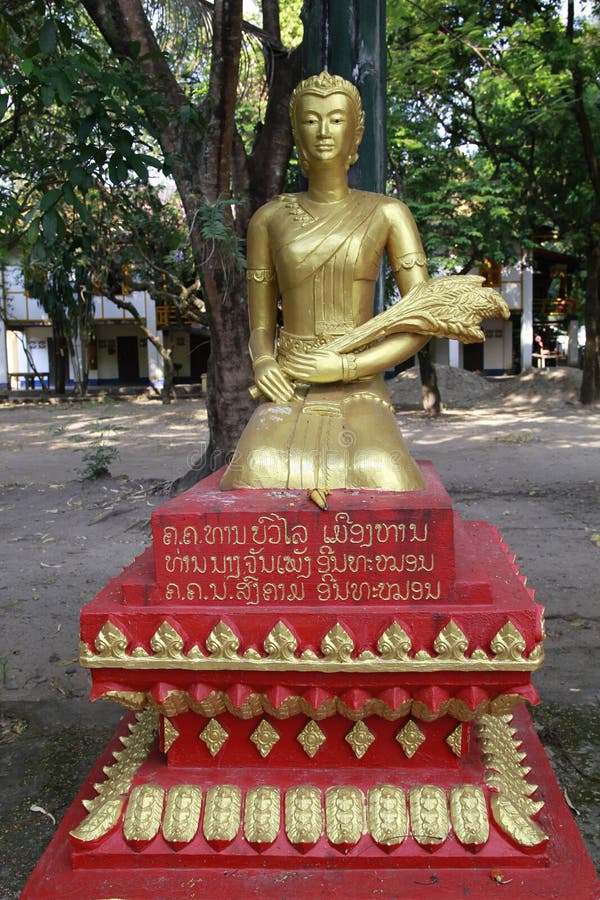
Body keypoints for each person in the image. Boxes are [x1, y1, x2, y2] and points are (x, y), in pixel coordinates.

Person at [220, 71, 430, 492]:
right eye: (311, 120)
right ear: (298, 135)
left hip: (359, 379)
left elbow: (422, 318)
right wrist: (263, 363)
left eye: (336, 119)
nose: (323, 131)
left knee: (379, 471)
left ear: (356, 135)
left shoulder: (388, 213)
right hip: (292, 380)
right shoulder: (269, 219)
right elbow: (261, 327)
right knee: (256, 469)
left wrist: (347, 365)